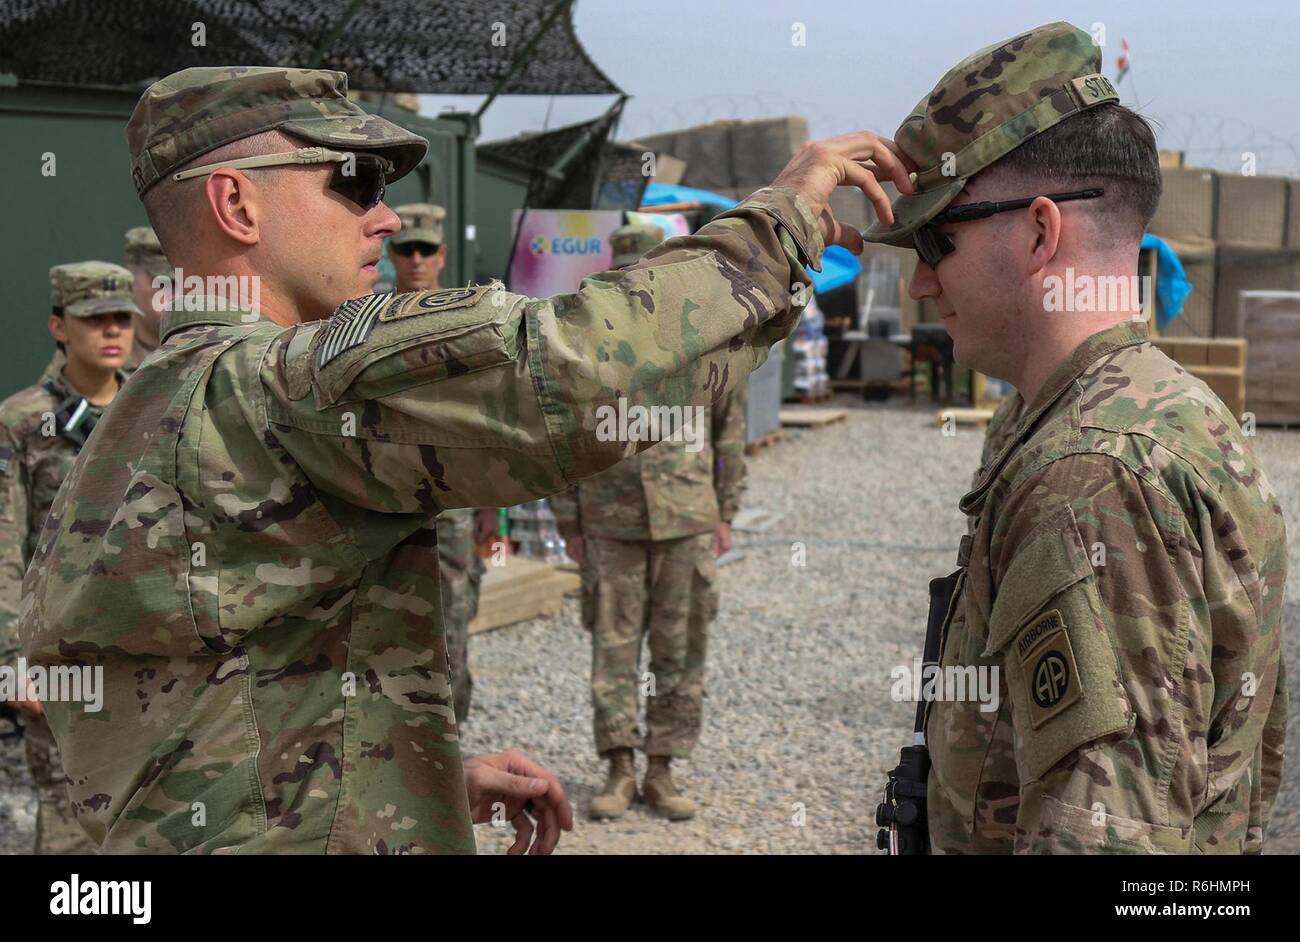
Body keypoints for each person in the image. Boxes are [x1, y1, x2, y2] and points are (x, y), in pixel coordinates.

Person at [19, 65, 911, 854]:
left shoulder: (161, 401)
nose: (383, 216)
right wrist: (782, 213)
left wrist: (406, 787)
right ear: (236, 204)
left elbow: (213, 703)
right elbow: (563, 367)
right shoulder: (275, 387)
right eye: (353, 179)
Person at [866, 21, 1286, 854]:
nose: (918, 282)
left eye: (934, 241)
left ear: (1038, 231)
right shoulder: (1158, 407)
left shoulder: (1092, 472)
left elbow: (1110, 842)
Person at [551, 222, 747, 822]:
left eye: (647, 276)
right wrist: (571, 521)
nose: (638, 289)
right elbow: (566, 444)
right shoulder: (584, 355)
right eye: (628, 277)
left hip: (687, 517)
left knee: (681, 649)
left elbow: (729, 435)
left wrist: (725, 509)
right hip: (610, 523)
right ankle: (618, 766)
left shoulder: (705, 346)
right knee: (612, 652)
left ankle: (662, 767)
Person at [0, 261, 136, 854]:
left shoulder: (153, 407)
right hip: (59, 654)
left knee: (148, 821)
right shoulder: (23, 422)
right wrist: (13, 657)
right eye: (93, 320)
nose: (111, 332)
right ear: (60, 326)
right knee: (69, 830)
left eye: (121, 319)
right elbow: (5, 545)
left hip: (144, 652)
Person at [389, 201, 491, 723]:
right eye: (405, 249)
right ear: (391, 253)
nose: (415, 260)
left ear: (442, 254)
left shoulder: (468, 323)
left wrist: (493, 513)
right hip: (386, 507)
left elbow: (488, 420)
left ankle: (451, 752)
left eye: (425, 250)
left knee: (452, 625)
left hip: (452, 507)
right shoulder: (365, 323)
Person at [123, 225, 172, 369]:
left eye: (183, 282)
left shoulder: (208, 350)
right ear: (130, 280)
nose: (174, 293)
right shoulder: (106, 354)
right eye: (161, 282)